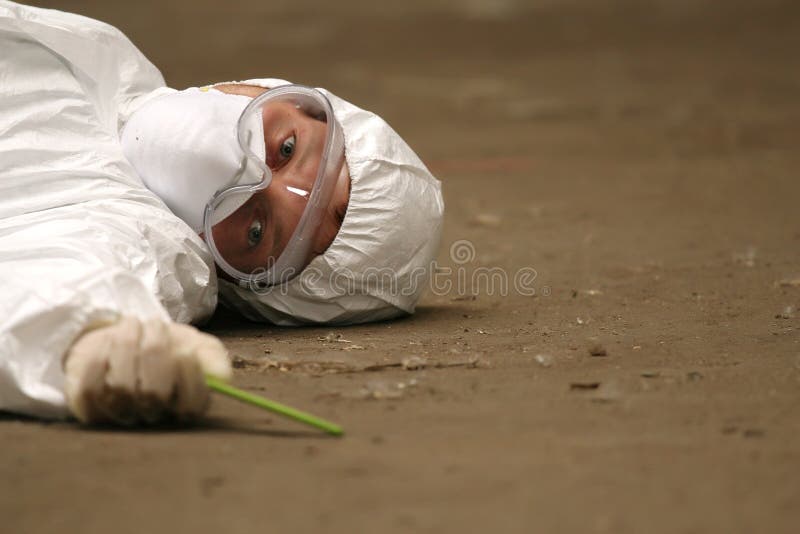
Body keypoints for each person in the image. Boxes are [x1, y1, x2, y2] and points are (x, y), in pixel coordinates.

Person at [0, 1, 444, 425]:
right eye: (287, 148)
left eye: (256, 230)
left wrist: (85, 339)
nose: (246, 171)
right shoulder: (108, 63)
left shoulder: (129, 232)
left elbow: (72, 287)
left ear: (232, 279)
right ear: (270, 89)